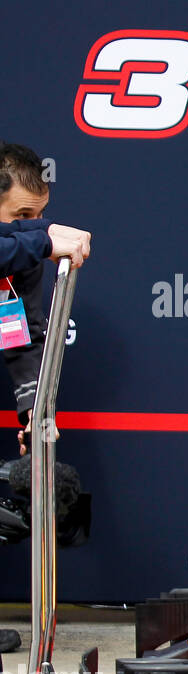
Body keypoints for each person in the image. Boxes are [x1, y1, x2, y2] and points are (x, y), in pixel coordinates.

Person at [0, 143, 83, 455]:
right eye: (23, 216)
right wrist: (43, 235)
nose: (33, 225)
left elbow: (19, 336)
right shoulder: (33, 245)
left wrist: (36, 413)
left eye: (39, 215)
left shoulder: (26, 255)